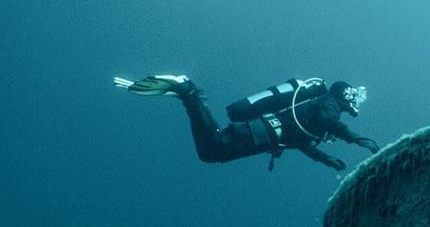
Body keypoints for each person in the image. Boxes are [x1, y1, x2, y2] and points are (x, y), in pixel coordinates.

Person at [115, 74, 379, 171]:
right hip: (260, 132)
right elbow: (328, 122)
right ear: (345, 96)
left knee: (212, 152)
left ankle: (190, 96)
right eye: (353, 98)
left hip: (263, 134)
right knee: (214, 149)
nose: (354, 105)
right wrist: (355, 139)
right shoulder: (328, 104)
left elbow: (300, 142)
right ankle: (189, 92)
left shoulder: (318, 112)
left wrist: (326, 160)